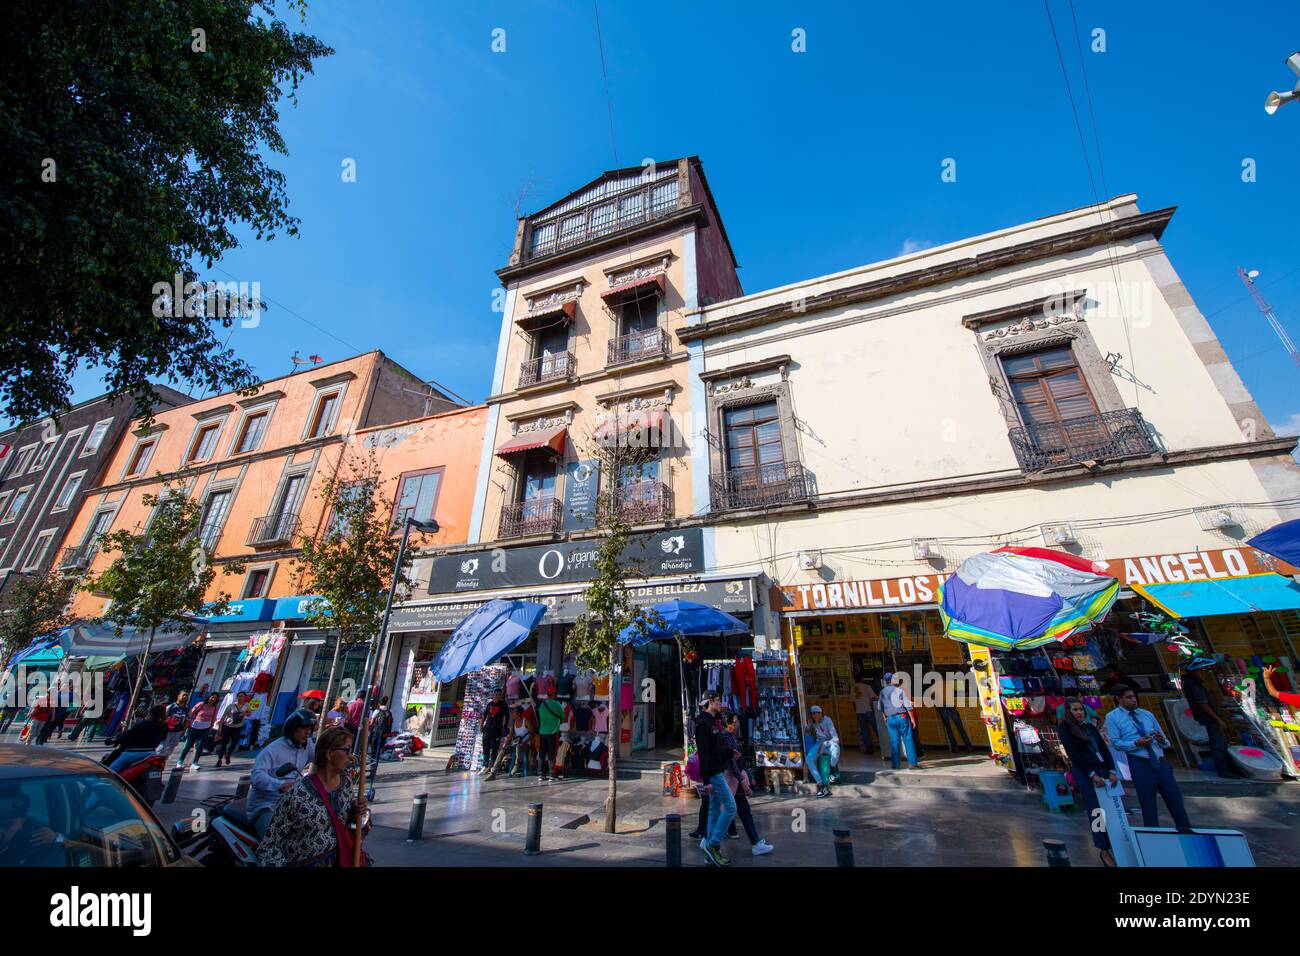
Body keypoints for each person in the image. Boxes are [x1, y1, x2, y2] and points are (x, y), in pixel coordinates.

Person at [256, 726, 369, 867]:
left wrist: (356, 811)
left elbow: (345, 823)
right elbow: (269, 847)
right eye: (346, 750)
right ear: (329, 754)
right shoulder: (297, 796)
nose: (351, 756)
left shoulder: (346, 783)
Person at [1103, 685, 1192, 830]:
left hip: (1161, 762)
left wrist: (1161, 740)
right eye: (1129, 697)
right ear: (1118, 699)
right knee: (1147, 804)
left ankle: (1186, 830)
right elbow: (1116, 743)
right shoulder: (1112, 717)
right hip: (1140, 763)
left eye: (1134, 696)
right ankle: (1153, 835)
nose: (1134, 700)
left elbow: (1165, 740)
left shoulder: (1147, 714)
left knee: (1175, 801)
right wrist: (1136, 743)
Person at [1056, 697, 1119, 866]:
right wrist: (1092, 775)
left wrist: (1112, 770)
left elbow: (1104, 749)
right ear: (1067, 712)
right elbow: (1073, 754)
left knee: (1113, 809)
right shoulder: (1065, 729)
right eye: (1075, 710)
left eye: (1081, 709)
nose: (1079, 712)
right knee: (1096, 811)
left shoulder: (1090, 727)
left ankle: (1119, 845)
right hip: (1086, 773)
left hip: (1104, 771)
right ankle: (1103, 849)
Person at [248, 708, 316, 835]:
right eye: (303, 728)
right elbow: (257, 776)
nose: (307, 732)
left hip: (292, 804)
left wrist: (343, 754)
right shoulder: (273, 749)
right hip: (266, 805)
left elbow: (323, 756)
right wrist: (280, 784)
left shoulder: (307, 746)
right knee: (274, 839)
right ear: (292, 729)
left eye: (310, 729)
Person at [722, 711, 774, 856]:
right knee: (732, 812)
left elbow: (736, 762)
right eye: (735, 721)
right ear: (729, 724)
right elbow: (731, 763)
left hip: (735, 779)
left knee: (740, 812)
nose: (737, 723)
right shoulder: (726, 738)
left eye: (737, 721)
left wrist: (746, 777)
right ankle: (709, 841)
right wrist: (742, 781)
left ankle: (755, 842)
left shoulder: (731, 737)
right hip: (732, 780)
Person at [694, 691, 734, 866]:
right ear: (710, 702)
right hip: (713, 773)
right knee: (731, 807)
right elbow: (703, 752)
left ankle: (709, 853)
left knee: (714, 809)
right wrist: (707, 780)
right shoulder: (703, 723)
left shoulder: (713, 722)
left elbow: (715, 748)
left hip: (717, 769)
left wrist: (730, 753)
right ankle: (713, 844)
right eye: (718, 700)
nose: (720, 703)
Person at [1181, 669, 1236, 778]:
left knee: (1219, 743)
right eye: (1201, 671)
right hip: (1209, 719)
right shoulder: (1194, 685)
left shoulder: (1193, 684)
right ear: (1194, 672)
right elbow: (1203, 704)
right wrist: (1218, 719)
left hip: (1209, 718)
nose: (1204, 673)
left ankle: (1225, 768)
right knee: (1218, 744)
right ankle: (1223, 769)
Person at [0, 784, 66, 866]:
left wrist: (55, 837)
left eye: (7, 825)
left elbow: (70, 847)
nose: (0, 831)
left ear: (23, 820)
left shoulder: (37, 837)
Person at [103, 705, 169, 773]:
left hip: (134, 753)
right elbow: (163, 738)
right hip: (151, 753)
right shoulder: (164, 726)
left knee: (111, 770)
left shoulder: (143, 724)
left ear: (151, 714)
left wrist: (115, 740)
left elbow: (129, 734)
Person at [880, 674, 922, 770]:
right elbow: (908, 706)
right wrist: (912, 719)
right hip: (902, 717)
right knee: (908, 739)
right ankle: (912, 763)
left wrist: (885, 718)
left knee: (894, 741)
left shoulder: (882, 692)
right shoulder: (899, 691)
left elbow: (882, 709)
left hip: (890, 718)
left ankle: (895, 765)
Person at [176, 692, 219, 770]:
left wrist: (211, 726)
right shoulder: (201, 704)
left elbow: (213, 718)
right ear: (209, 697)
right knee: (188, 745)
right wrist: (189, 724)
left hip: (205, 728)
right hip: (195, 726)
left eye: (215, 698)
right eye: (212, 697)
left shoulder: (214, 708)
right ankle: (180, 761)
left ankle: (195, 762)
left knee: (200, 746)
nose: (213, 699)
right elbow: (191, 713)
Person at [806, 705, 839, 797]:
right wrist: (808, 726)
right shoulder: (813, 722)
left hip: (829, 743)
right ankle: (820, 784)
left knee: (835, 748)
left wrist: (824, 744)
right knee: (809, 759)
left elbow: (836, 739)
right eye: (812, 714)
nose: (813, 716)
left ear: (820, 713)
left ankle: (832, 770)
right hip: (819, 744)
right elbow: (807, 732)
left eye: (815, 713)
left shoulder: (827, 721)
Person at [213, 692, 251, 767]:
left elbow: (249, 713)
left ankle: (228, 755)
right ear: (237, 697)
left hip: (237, 727)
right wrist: (220, 727)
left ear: (245, 697)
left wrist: (244, 714)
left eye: (242, 696)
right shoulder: (231, 706)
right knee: (224, 743)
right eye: (239, 696)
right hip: (228, 726)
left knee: (234, 743)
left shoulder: (246, 705)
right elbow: (223, 717)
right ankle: (219, 759)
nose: (241, 698)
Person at [535, 694, 566, 780]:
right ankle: (552, 774)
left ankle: (541, 774)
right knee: (551, 753)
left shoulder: (542, 705)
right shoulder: (557, 704)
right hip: (553, 731)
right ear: (554, 695)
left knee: (542, 753)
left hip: (542, 731)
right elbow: (563, 718)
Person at [502, 703, 536, 777]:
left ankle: (516, 766)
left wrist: (525, 741)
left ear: (519, 713)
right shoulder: (513, 724)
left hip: (526, 745)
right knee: (503, 750)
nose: (512, 714)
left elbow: (533, 733)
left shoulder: (526, 721)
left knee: (519, 747)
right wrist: (505, 746)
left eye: (514, 712)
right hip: (517, 745)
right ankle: (494, 770)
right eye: (512, 712)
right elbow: (510, 737)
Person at [480, 689, 508, 772]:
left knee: (494, 749)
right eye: (496, 694)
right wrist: (481, 726)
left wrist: (504, 727)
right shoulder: (489, 704)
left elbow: (506, 717)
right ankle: (485, 766)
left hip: (496, 730)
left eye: (499, 694)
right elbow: (484, 716)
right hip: (487, 729)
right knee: (486, 748)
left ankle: (492, 767)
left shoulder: (503, 704)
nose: (497, 696)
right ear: (493, 694)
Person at [853, 675, 878, 754]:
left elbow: (852, 701)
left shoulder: (853, 688)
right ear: (862, 679)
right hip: (868, 711)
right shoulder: (867, 686)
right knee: (877, 729)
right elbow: (873, 697)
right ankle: (886, 746)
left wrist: (856, 711)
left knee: (864, 732)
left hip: (859, 712)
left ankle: (869, 750)